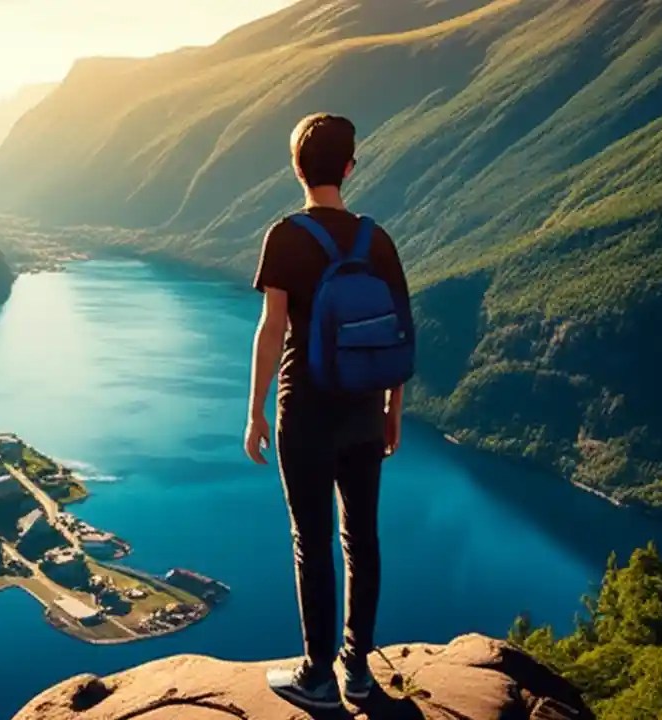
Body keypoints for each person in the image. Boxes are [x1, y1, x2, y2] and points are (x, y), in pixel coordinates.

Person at [245, 113, 413, 709]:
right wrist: (394, 409)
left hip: (307, 410)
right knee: (361, 540)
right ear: (349, 167)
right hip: (365, 411)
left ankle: (316, 677)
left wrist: (256, 411)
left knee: (310, 542)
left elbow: (272, 331)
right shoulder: (376, 238)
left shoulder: (286, 235)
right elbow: (399, 333)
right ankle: (359, 670)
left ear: (297, 168)